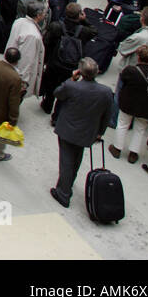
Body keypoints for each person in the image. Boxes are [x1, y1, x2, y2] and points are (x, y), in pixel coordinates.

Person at [49, 58, 114, 208]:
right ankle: (67, 185)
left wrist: (72, 78)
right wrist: (100, 132)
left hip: (67, 129)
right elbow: (107, 114)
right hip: (87, 132)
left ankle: (63, 193)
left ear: (80, 72)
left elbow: (57, 93)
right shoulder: (105, 92)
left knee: (66, 161)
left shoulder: (71, 86)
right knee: (76, 159)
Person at [112, 45, 148, 164]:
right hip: (146, 106)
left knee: (122, 124)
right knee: (140, 129)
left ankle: (117, 148)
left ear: (138, 57)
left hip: (129, 103)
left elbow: (123, 84)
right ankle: (133, 153)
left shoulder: (130, 70)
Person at [5, 3, 47, 97]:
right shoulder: (32, 35)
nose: (45, 15)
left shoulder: (19, 21)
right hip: (18, 75)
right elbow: (26, 60)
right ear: (38, 15)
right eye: (44, 13)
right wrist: (23, 81)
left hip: (10, 66)